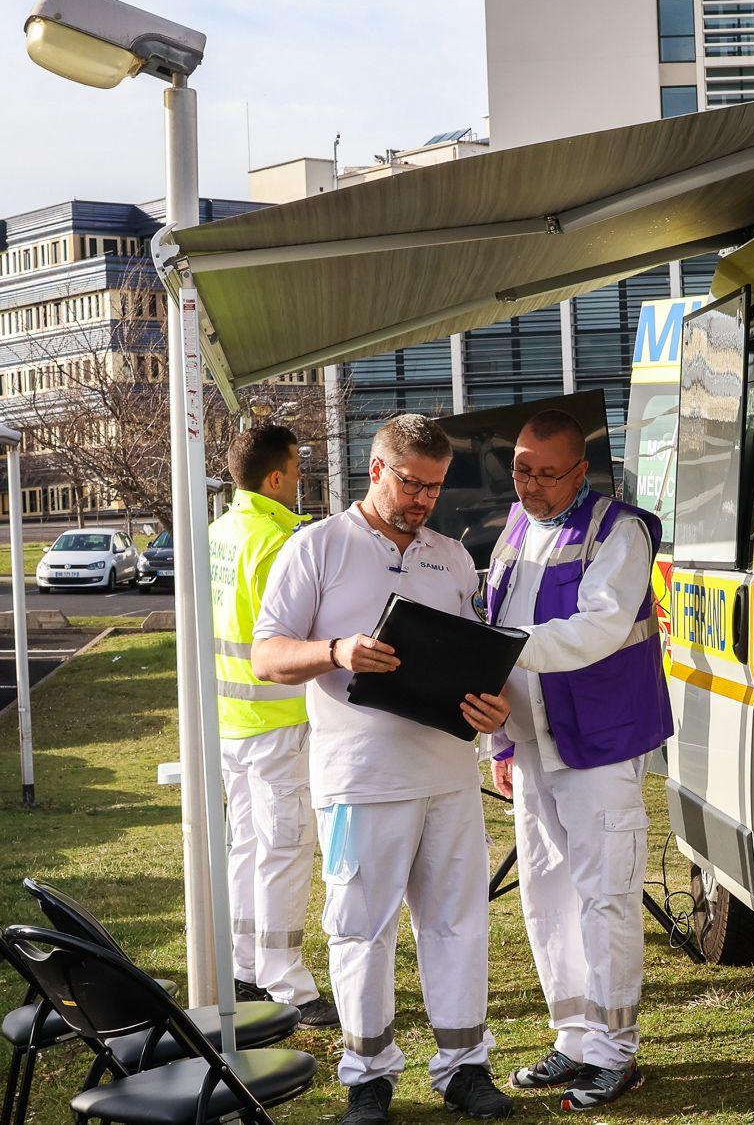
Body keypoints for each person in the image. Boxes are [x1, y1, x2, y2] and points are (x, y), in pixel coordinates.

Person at [251, 414, 514, 1125]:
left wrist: (490, 710)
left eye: (435, 486)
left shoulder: (452, 558)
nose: (425, 499)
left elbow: (473, 655)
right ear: (375, 470)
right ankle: (368, 1077)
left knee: (459, 923)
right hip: (359, 781)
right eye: (412, 484)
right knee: (360, 929)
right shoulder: (318, 547)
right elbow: (267, 656)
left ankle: (464, 1067)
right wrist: (336, 651)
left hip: (448, 776)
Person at [483, 409, 670, 1112]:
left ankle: (615, 1053)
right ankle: (575, 1038)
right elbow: (490, 610)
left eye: (546, 472)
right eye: (521, 468)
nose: (530, 483)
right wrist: (499, 741)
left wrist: (499, 651)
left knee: (606, 896)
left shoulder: (619, 530)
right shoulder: (518, 523)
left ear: (581, 471)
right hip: (532, 745)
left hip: (598, 742)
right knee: (547, 896)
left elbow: (597, 628)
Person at [207, 424, 336, 1027]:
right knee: (285, 850)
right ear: (276, 477)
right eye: (298, 468)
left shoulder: (218, 534)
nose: (303, 479)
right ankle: (286, 983)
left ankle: (245, 966)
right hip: (279, 718)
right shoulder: (282, 540)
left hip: (231, 721)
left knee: (249, 847)